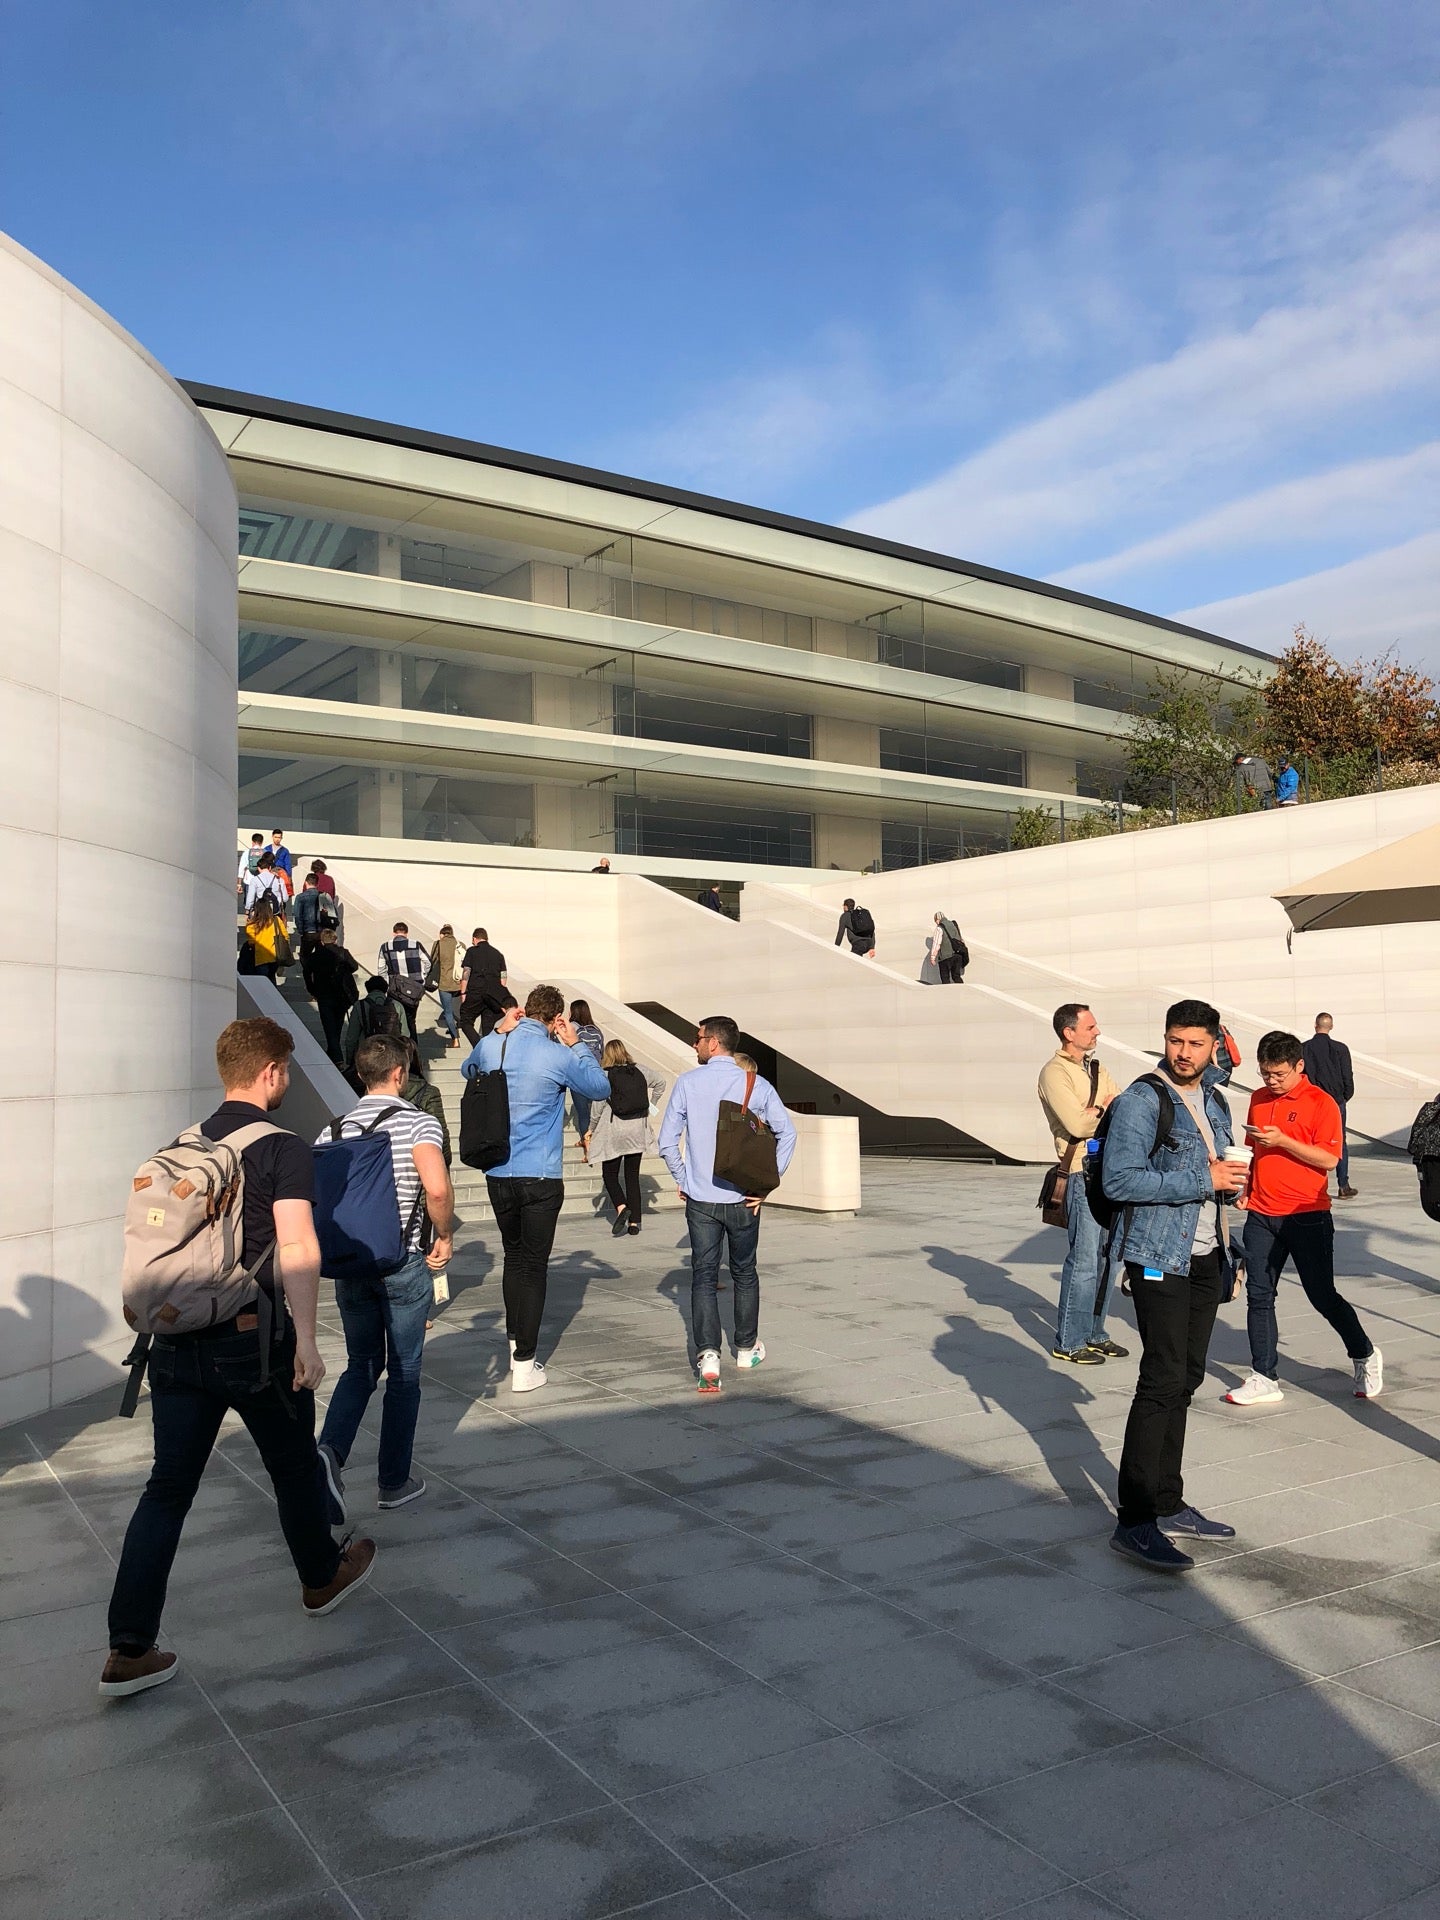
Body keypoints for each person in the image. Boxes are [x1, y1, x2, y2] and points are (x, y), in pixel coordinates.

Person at [100, 1018, 375, 1697]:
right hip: (254, 1339)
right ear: (274, 1071)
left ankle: (128, 1648)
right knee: (290, 1465)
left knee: (167, 1489)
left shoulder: (180, 1145)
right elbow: (298, 1247)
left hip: (172, 1343)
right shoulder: (284, 1149)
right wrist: (307, 1339)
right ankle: (319, 1577)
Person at [1101, 998, 1248, 1572]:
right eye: (1175, 1041)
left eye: (1195, 1043)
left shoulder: (1214, 1101)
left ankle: (1167, 1501)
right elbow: (1118, 1180)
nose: (1184, 1053)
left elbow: (1216, 1178)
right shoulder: (1142, 1100)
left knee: (1186, 1376)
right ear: (1165, 1040)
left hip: (1206, 1257)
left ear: (1215, 1045)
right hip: (1158, 1256)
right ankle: (1135, 1520)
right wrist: (1202, 1176)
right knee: (1161, 1378)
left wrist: (1231, 1189)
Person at [316, 1034, 454, 1516]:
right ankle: (393, 1481)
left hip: (350, 1266)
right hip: (401, 1263)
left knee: (360, 1364)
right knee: (405, 1371)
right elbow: (436, 1189)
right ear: (400, 1073)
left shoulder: (330, 1132)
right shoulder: (419, 1124)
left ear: (360, 1074)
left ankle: (328, 1454)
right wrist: (444, 1235)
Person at [464, 986, 611, 1392]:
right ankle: (524, 1364)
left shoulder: (496, 1045)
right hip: (540, 1173)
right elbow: (600, 1087)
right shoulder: (558, 1053)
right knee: (533, 1265)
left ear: (525, 1010)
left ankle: (515, 1343)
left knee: (514, 1258)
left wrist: (497, 1031)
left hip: (497, 1170)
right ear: (556, 1018)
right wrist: (576, 1043)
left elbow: (466, 1070)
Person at [1225, 1030, 1381, 1406]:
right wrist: (1245, 1189)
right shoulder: (1258, 1099)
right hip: (1261, 1212)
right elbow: (1254, 1152)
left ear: (1299, 1066)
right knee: (1259, 1294)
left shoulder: (1321, 1102)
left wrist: (1284, 1141)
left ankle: (1364, 1353)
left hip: (1306, 1214)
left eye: (1278, 1074)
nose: (1271, 1081)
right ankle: (1264, 1376)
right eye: (1265, 1074)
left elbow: (1329, 1160)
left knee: (1322, 1295)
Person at [659, 1015, 797, 1392]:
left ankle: (708, 1356)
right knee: (744, 1273)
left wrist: (684, 1179)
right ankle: (746, 1347)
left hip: (701, 1198)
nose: (695, 1044)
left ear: (714, 1043)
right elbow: (788, 1133)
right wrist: (768, 1183)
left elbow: (667, 1142)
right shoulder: (756, 1083)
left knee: (703, 1276)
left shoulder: (688, 1083)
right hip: (743, 1198)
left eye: (698, 1038)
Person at [1038, 1004, 1125, 1366]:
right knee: (1086, 1258)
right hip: (1079, 1171)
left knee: (1108, 1257)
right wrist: (1101, 1110)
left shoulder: (1097, 1068)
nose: (1097, 1032)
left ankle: (1094, 1332)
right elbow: (1077, 1124)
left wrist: (1102, 1110)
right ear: (1068, 1033)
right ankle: (1070, 1340)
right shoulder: (1053, 1073)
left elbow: (1121, 1106)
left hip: (1110, 1169)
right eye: (1090, 1027)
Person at [590, 1039, 667, 1237]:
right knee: (632, 1177)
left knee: (610, 1175)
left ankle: (622, 1207)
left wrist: (590, 1129)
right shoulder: (639, 1070)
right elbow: (661, 1082)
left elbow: (597, 1108)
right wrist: (652, 1104)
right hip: (637, 1132)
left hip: (614, 1131)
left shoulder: (605, 1075)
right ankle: (634, 1224)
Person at [1303, 1013, 1358, 1198]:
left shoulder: (1304, 1048)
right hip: (1336, 1101)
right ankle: (1343, 1185)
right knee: (1339, 1141)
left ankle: (1313, 1186)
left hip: (1311, 1101)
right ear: (1331, 1026)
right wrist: (1343, 1098)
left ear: (1315, 1025)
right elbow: (1347, 1078)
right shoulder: (1340, 1049)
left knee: (1310, 1142)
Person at [340, 975, 405, 1082]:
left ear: (368, 989)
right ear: (385, 989)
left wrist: (350, 1059)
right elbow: (405, 1035)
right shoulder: (397, 1005)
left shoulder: (360, 1006)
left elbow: (351, 1037)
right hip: (392, 1055)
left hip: (368, 1055)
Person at [310, 928, 360, 1061]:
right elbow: (354, 966)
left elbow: (307, 972)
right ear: (335, 939)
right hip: (341, 994)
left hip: (324, 995)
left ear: (322, 942)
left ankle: (336, 1057)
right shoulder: (343, 953)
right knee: (337, 1025)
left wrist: (312, 989)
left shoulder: (316, 955)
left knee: (329, 1026)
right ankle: (333, 1054)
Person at [379, 921, 431, 1043]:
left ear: (394, 933)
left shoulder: (385, 947)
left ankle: (397, 1048)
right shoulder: (415, 944)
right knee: (411, 1020)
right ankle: (413, 1051)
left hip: (395, 990)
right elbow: (428, 962)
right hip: (413, 990)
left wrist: (389, 982)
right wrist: (422, 978)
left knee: (394, 1019)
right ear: (406, 933)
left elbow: (381, 969)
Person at [458, 926, 508, 1046]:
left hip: (476, 991)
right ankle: (487, 1054)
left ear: (474, 939)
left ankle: (479, 1046)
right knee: (487, 1026)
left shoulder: (471, 951)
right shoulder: (498, 954)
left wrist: (463, 992)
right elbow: (503, 977)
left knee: (465, 1021)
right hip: (492, 995)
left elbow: (466, 972)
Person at [569, 999, 605, 1161]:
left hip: (579, 1076)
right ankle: (591, 1141)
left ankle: (588, 1151)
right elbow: (602, 1054)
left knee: (583, 1114)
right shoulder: (596, 1030)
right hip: (596, 1076)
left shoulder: (572, 1029)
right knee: (595, 1113)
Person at [240, 892, 289, 982]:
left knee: (263, 981)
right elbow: (285, 936)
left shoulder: (252, 924)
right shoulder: (276, 920)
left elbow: (251, 942)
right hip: (275, 956)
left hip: (260, 957)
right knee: (271, 978)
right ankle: (273, 995)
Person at [293, 873, 327, 993]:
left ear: (305, 882)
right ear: (317, 884)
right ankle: (319, 982)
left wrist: (301, 930)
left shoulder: (300, 897)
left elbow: (297, 915)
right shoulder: (323, 896)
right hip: (321, 933)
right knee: (320, 958)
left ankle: (310, 986)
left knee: (304, 957)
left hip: (308, 932)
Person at [433, 923, 463, 1049]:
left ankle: (455, 1039)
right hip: (458, 983)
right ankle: (458, 1028)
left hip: (444, 983)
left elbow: (433, 961)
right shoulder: (460, 945)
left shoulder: (439, 944)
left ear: (442, 934)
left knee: (448, 1012)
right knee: (458, 1010)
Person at [930, 911, 966, 984]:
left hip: (946, 957)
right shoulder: (953, 924)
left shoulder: (939, 928)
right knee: (956, 976)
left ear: (937, 919)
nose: (936, 923)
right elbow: (960, 939)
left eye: (935, 921)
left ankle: (948, 995)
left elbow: (937, 943)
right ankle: (962, 992)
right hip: (958, 955)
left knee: (945, 978)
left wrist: (933, 957)